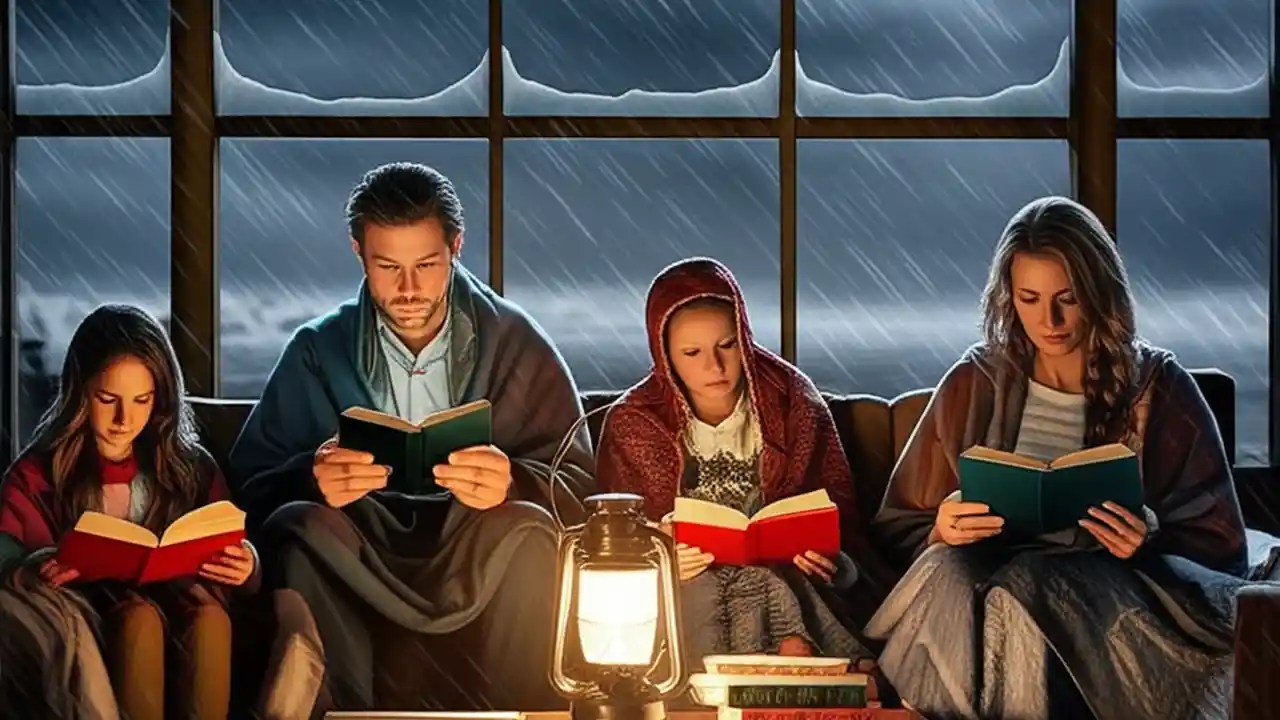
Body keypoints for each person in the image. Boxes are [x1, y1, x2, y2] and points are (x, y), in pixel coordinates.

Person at [865, 196, 1252, 719]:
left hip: (1105, 592)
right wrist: (941, 530)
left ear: (1099, 291)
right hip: (979, 577)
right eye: (1028, 298)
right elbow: (895, 529)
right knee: (951, 573)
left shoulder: (1161, 389)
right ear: (1007, 299)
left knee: (1025, 590)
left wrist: (1150, 537)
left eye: (1067, 298)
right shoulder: (972, 383)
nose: (1048, 320)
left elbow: (1222, 546)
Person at [228, 162, 595, 712]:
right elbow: (244, 490)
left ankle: (523, 712)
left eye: (426, 264)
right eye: (387, 266)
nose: (408, 288)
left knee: (532, 533)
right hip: (359, 545)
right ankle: (340, 712)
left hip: (477, 541)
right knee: (299, 529)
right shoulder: (318, 350)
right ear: (358, 252)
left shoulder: (515, 342)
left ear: (457, 247)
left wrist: (513, 481)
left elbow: (580, 486)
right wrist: (310, 474)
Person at [597, 257, 873, 668]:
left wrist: (832, 558)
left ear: (744, 337)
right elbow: (613, 537)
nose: (715, 366)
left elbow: (839, 514)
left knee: (776, 583)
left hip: (787, 574)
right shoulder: (634, 421)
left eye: (727, 346)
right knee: (708, 590)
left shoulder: (792, 398)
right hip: (688, 584)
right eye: (692, 353)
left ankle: (802, 670)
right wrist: (658, 551)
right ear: (664, 355)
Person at [0, 304, 260, 720]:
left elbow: (227, 536)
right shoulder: (39, 473)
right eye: (108, 400)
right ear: (79, 392)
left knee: (210, 620)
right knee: (138, 622)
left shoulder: (189, 467)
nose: (125, 419)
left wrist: (247, 565)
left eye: (142, 400)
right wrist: (33, 567)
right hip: (90, 609)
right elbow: (6, 553)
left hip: (182, 599)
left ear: (161, 400)